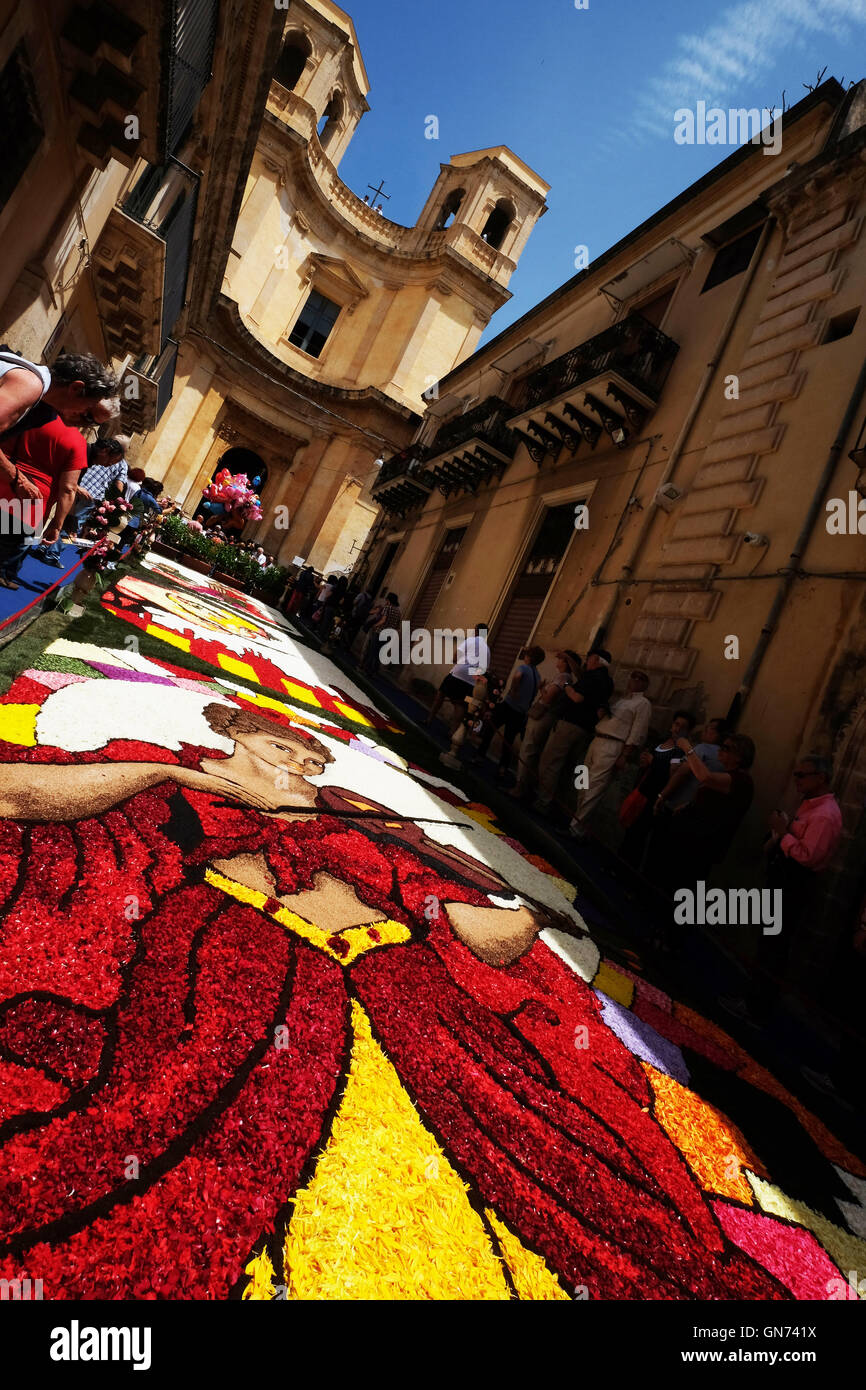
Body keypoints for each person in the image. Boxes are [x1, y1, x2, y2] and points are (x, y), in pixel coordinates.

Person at [0, 678, 789, 1300]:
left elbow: (456, 926)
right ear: (234, 729)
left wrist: (534, 917)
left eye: (313, 755)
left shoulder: (367, 821)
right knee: (152, 1142)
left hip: (398, 987)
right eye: (288, 743)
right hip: (226, 953)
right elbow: (20, 795)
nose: (307, 761)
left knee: (543, 1148)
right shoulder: (158, 766)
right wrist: (173, 773)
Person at [721, 754, 843, 1025]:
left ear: (820, 778)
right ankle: (753, 998)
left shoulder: (824, 815)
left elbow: (808, 856)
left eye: (802, 775)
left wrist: (783, 832)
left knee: (774, 947)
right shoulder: (811, 806)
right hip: (784, 879)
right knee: (768, 943)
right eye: (796, 773)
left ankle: (756, 1007)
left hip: (794, 885)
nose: (796, 779)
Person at [0, 399, 120, 587]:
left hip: (6, 479)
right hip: (30, 500)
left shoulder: (33, 415)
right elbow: (68, 488)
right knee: (10, 544)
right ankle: (3, 575)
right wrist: (57, 524)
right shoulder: (76, 441)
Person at [650, 732, 756, 901]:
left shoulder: (740, 781)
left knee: (679, 891)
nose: (720, 750)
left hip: (700, 846)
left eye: (726, 748)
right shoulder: (729, 777)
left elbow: (705, 777)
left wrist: (687, 749)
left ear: (739, 756)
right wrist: (688, 806)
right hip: (689, 839)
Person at [569, 671, 652, 837]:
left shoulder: (643, 703)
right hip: (597, 739)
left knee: (595, 786)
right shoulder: (621, 700)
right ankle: (578, 821)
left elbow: (637, 732)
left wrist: (624, 755)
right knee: (582, 781)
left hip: (613, 745)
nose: (635, 680)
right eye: (634, 676)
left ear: (645, 685)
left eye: (641, 678)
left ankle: (575, 829)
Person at [533, 649, 614, 814]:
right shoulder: (607, 682)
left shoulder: (592, 678)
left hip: (570, 724)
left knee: (549, 763)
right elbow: (581, 673)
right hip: (585, 730)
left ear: (596, 660)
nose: (587, 662)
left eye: (589, 659)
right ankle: (559, 805)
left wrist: (567, 686)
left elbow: (577, 697)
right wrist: (569, 658)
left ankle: (543, 801)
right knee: (568, 768)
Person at [619, 710, 695, 870]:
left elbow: (674, 774)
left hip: (655, 796)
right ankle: (618, 863)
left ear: (688, 731)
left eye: (682, 727)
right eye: (676, 724)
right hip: (642, 789)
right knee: (630, 828)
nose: (677, 729)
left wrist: (654, 762)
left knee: (639, 834)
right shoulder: (661, 742)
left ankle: (626, 871)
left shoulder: (680, 751)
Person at [35, 434, 129, 565]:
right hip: (90, 494)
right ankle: (53, 553)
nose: (108, 465)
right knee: (72, 523)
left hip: (76, 485)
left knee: (62, 515)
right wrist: (115, 502)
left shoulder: (93, 451)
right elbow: (119, 484)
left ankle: (44, 545)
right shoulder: (121, 463)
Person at [511, 650, 582, 801]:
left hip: (543, 716)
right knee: (532, 751)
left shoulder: (563, 677)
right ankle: (525, 786)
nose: (558, 661)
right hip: (548, 717)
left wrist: (542, 689)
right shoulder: (565, 678)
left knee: (528, 750)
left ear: (566, 663)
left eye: (561, 659)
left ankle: (520, 787)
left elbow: (548, 699)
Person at [472, 645, 545, 778]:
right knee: (508, 741)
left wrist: (514, 690)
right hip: (521, 713)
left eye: (527, 654)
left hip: (509, 706)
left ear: (529, 657)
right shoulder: (537, 675)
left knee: (490, 730)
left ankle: (479, 757)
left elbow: (517, 677)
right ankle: (502, 769)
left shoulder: (523, 668)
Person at [654, 716, 728, 811]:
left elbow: (681, 772)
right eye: (676, 724)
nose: (706, 729)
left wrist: (662, 795)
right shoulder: (724, 757)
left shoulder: (702, 748)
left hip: (678, 804)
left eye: (711, 727)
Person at [426, 624, 490, 729]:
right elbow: (483, 670)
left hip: (457, 674)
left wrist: (461, 665)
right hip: (471, 681)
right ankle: (452, 732)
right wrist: (470, 671)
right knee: (460, 705)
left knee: (440, 695)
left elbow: (455, 656)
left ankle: (429, 719)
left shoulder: (470, 641)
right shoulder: (487, 650)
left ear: (477, 631)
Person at [361, 591, 401, 674]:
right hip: (389, 635)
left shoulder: (387, 608)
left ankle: (367, 669)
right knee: (380, 653)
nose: (386, 601)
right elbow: (398, 627)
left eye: (386, 600)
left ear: (389, 600)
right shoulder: (398, 612)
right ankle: (374, 671)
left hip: (380, 632)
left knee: (372, 651)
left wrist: (374, 625)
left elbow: (383, 620)